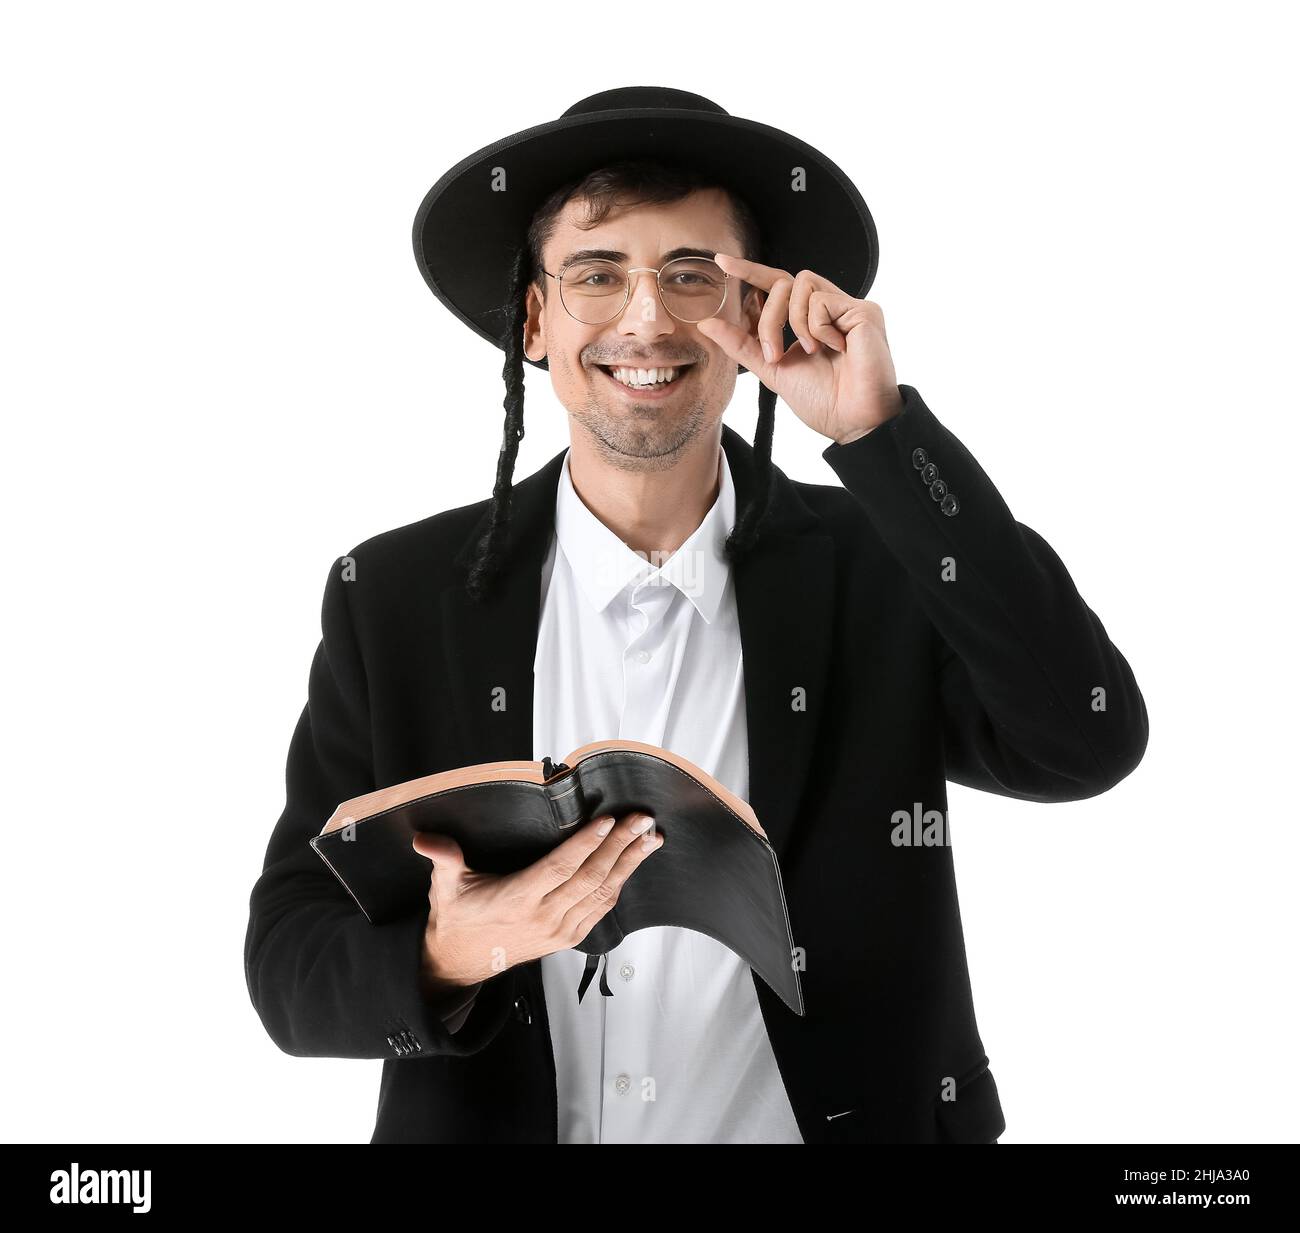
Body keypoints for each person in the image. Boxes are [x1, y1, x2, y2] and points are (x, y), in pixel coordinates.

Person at [243, 87, 1148, 1144]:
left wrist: (880, 438)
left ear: (756, 312)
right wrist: (453, 949)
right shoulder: (393, 596)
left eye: (691, 277)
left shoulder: (881, 567)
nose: (645, 318)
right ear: (532, 320)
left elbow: (1082, 741)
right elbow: (289, 968)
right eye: (597, 274)